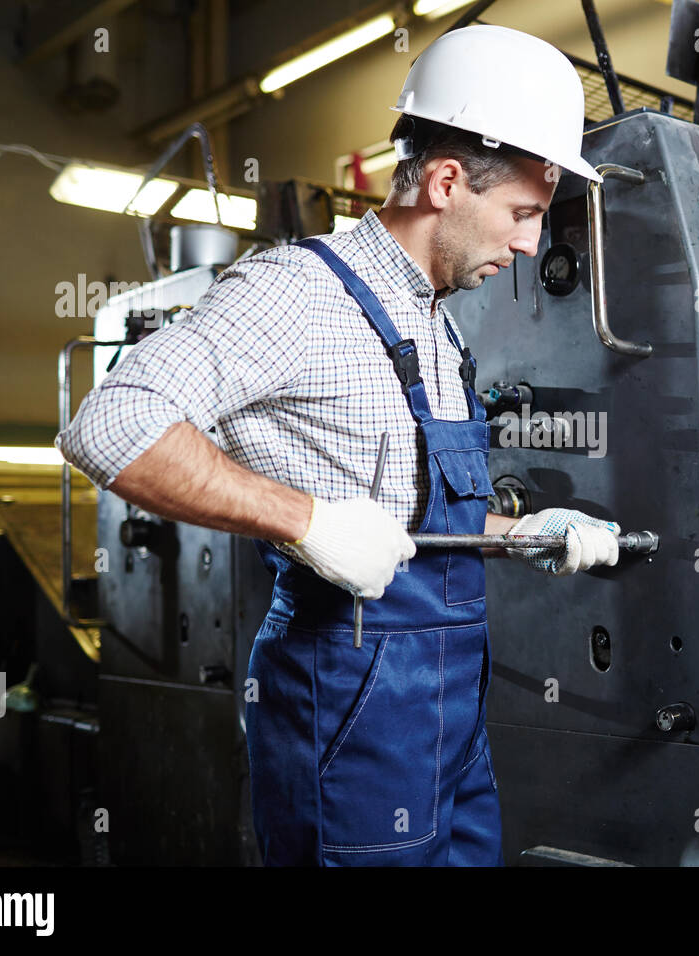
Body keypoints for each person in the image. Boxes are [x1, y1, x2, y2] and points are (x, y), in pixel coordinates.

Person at [56, 23, 620, 866]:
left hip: (452, 707)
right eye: (522, 214)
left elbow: (410, 521)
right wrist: (303, 520)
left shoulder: (436, 322)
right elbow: (111, 423)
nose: (533, 243)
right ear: (447, 180)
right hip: (352, 702)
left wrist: (528, 535)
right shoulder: (300, 293)